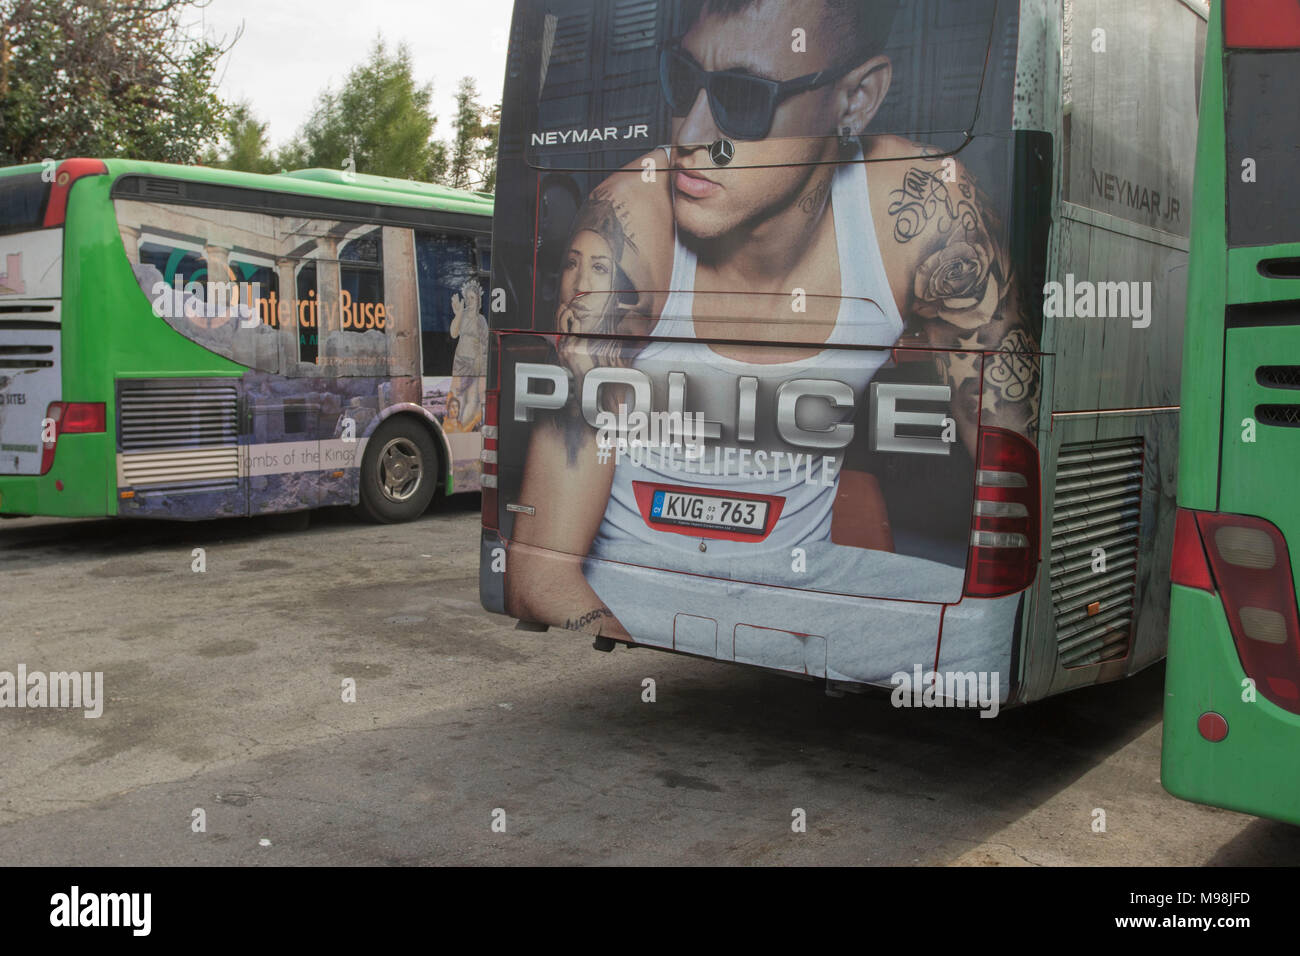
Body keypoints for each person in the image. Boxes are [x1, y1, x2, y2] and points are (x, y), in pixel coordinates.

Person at [506, 0, 1039, 645]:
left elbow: (1015, 469)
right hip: (635, 584)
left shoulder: (920, 209)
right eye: (683, 81)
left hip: (804, 587)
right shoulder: (630, 221)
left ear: (856, 99)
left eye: (742, 97)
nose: (691, 134)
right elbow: (540, 574)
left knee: (991, 635)